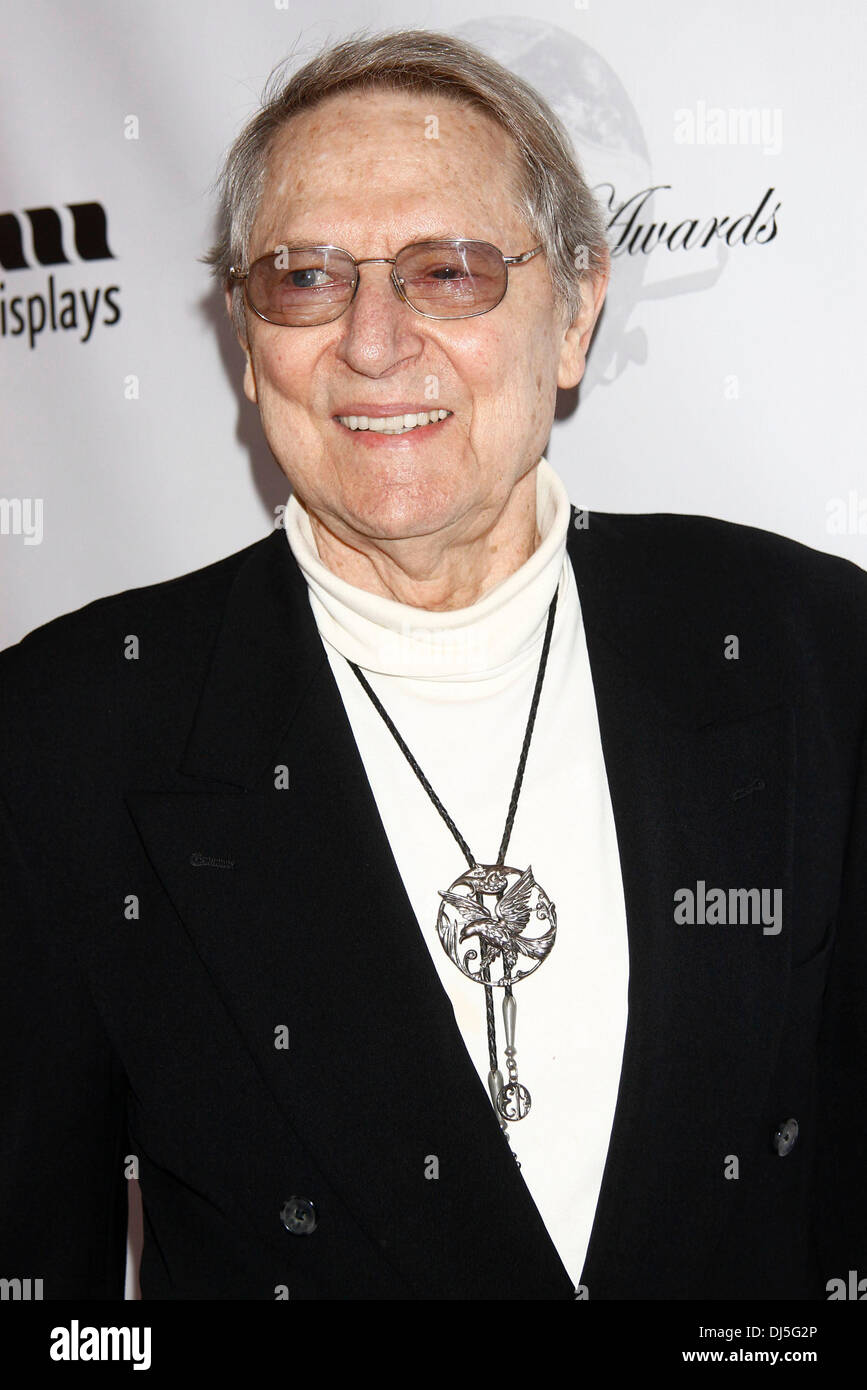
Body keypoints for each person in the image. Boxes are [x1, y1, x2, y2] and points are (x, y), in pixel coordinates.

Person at [1, 27, 865, 1302]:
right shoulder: (69, 729)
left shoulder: (813, 652)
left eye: (447, 270)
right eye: (303, 278)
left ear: (573, 314)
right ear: (248, 344)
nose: (371, 339)